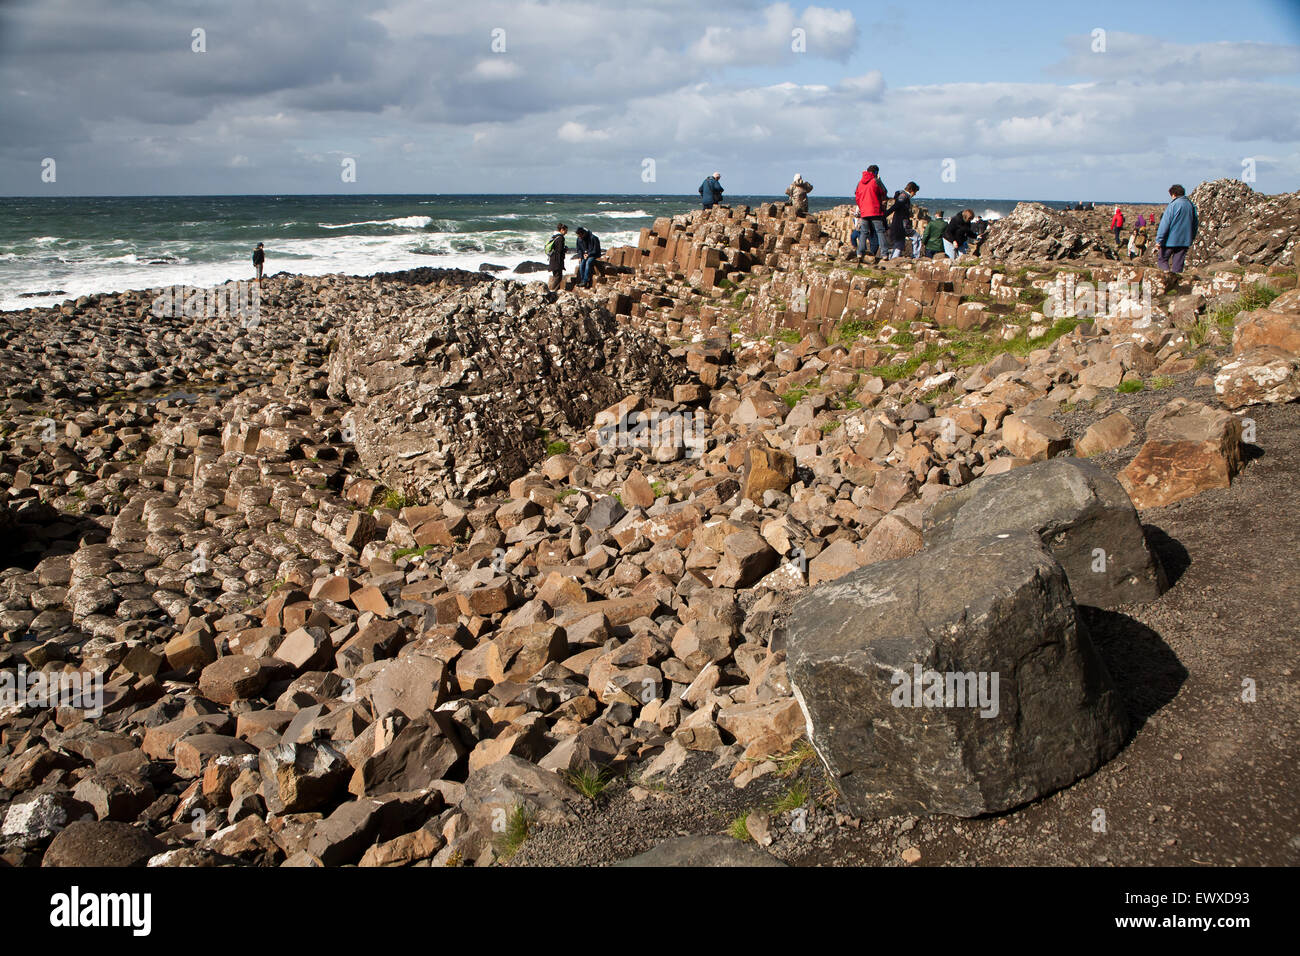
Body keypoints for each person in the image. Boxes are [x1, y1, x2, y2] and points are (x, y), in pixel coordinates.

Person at [1155, 184, 1199, 274]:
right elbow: (1195, 224)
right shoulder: (1190, 205)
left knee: (1162, 259)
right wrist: (1191, 237)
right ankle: (1175, 283)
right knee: (1178, 265)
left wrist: (1159, 240)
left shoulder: (1173, 205)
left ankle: (1166, 278)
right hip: (1184, 240)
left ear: (1173, 194)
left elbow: (1165, 223)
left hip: (1169, 240)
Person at [852, 164, 888, 260]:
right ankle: (884, 254)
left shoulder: (860, 183)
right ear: (876, 173)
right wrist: (880, 180)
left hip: (864, 212)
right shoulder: (875, 181)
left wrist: (861, 207)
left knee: (863, 232)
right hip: (875, 211)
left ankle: (859, 253)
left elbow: (857, 196)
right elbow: (884, 191)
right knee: (880, 232)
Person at [885, 181, 919, 259]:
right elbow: (896, 206)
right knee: (917, 237)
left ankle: (893, 259)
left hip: (898, 224)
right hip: (902, 225)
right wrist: (885, 214)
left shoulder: (902, 195)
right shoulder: (904, 196)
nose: (915, 194)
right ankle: (915, 257)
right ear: (912, 190)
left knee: (899, 244)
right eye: (915, 192)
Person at [546, 223, 568, 290]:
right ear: (562, 230)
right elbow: (559, 250)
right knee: (558, 277)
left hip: (552, 259)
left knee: (555, 276)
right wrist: (565, 249)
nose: (566, 233)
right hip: (557, 260)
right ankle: (552, 291)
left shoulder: (554, 236)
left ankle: (554, 291)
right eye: (566, 231)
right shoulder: (560, 238)